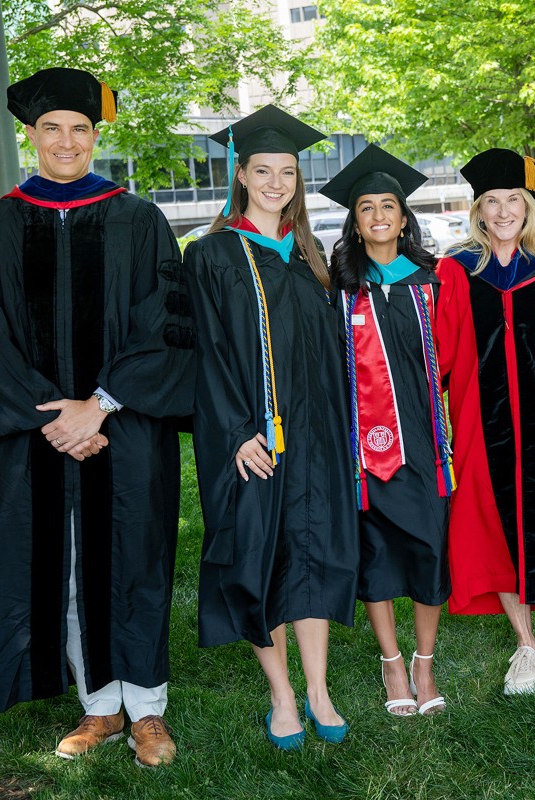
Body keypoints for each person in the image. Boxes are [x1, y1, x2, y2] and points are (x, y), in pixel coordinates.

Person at [0, 68, 193, 766]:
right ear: (31, 136)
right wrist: (56, 419)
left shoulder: (139, 220)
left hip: (127, 425)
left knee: (133, 558)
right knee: (70, 564)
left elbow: (164, 326)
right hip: (38, 436)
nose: (66, 140)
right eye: (52, 127)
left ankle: (147, 709)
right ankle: (100, 706)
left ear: (94, 137)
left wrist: (100, 405)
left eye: (79, 128)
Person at [185, 106, 357, 750]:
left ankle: (318, 690)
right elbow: (204, 356)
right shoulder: (212, 255)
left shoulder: (313, 256)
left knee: (314, 554)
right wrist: (235, 433)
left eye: (288, 171)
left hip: (317, 436)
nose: (277, 182)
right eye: (264, 170)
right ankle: (281, 696)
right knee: (262, 555)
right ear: (242, 175)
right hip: (252, 440)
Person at [436, 148, 535, 698]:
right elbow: (441, 350)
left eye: (514, 201)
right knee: (492, 524)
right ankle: (525, 642)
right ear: (478, 211)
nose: (503, 211)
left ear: (529, 208)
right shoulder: (457, 270)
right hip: (481, 426)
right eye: (492, 202)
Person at [322, 145, 453, 716]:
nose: (378, 216)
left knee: (429, 545)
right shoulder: (339, 287)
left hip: (424, 441)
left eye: (388, 206)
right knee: (374, 553)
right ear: (355, 221)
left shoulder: (434, 281)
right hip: (361, 448)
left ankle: (424, 662)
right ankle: (391, 661)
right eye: (366, 208)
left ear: (405, 218)